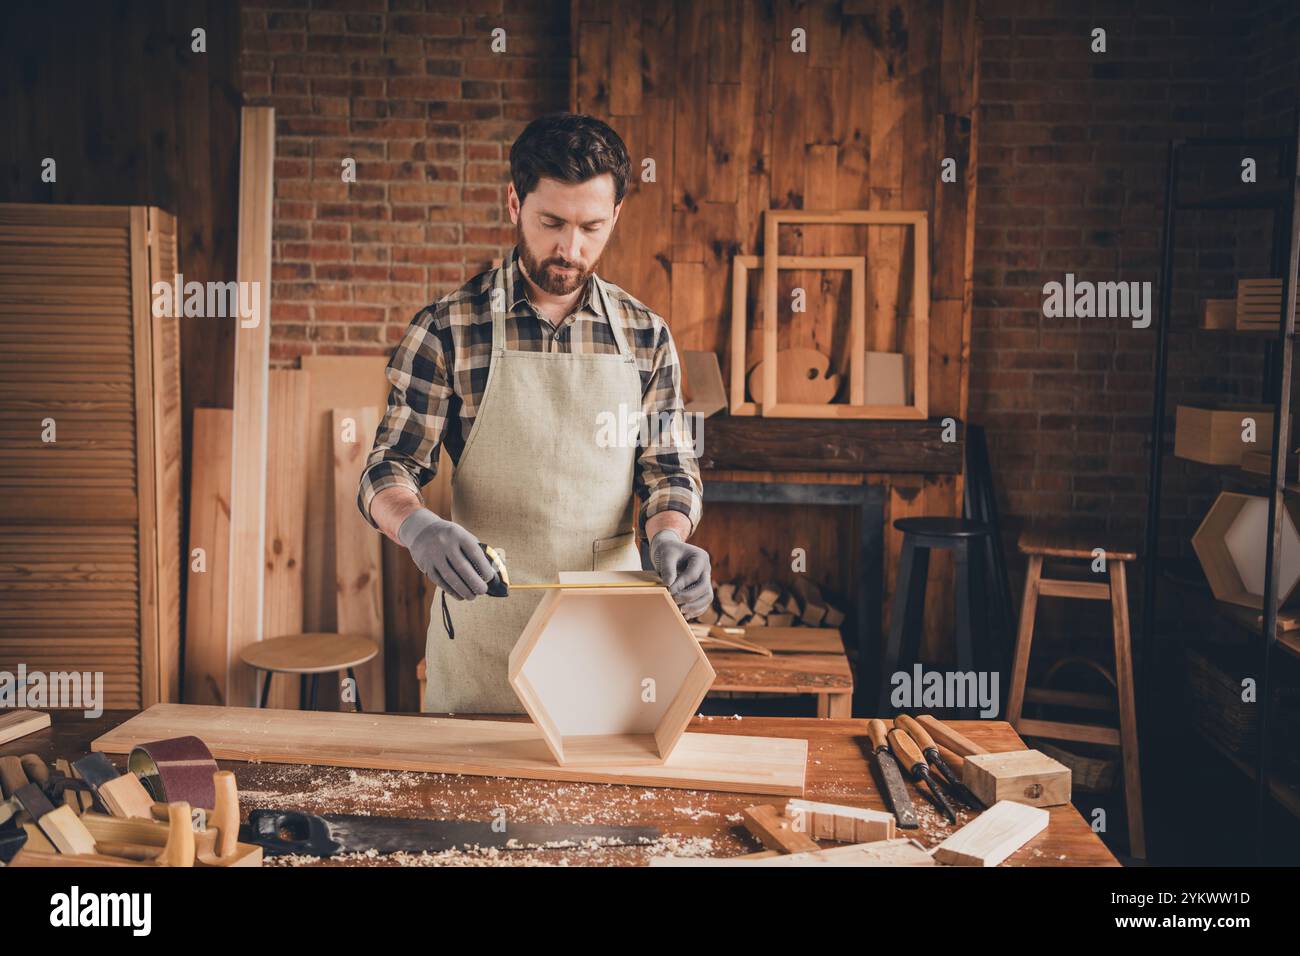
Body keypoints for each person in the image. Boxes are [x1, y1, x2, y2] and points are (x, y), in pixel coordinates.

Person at [357, 112, 712, 713]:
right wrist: (417, 528)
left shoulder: (646, 336)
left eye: (592, 227)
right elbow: (387, 468)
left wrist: (670, 537)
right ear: (514, 203)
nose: (570, 249)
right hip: (483, 639)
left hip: (605, 646)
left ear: (616, 217)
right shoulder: (447, 328)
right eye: (552, 222)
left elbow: (669, 472)